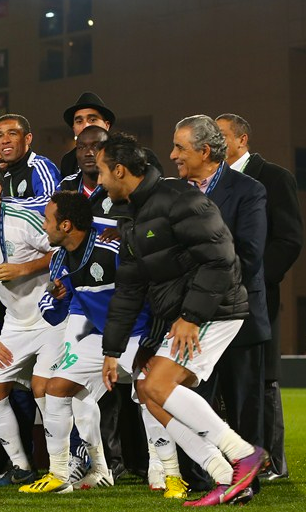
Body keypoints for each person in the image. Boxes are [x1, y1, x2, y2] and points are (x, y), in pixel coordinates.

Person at [98, 132, 269, 506]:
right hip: (181, 313)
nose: (98, 180)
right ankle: (226, 476)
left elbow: (221, 258)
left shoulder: (180, 197)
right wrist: (112, 349)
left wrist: (192, 316)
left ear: (121, 170)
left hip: (215, 309)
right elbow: (129, 290)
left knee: (157, 385)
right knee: (146, 390)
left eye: (101, 172)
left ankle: (242, 455)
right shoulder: (129, 216)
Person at [22, 191, 161, 494]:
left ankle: (162, 469)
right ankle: (64, 473)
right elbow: (53, 312)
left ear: (67, 225)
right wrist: (58, 297)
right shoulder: (60, 257)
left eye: (47, 220)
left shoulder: (112, 246)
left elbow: (150, 287)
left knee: (150, 397)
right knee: (57, 388)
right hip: (98, 336)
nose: (43, 226)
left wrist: (157, 333)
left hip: (139, 335)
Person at [0, 163, 68, 487]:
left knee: (44, 390)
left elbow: (63, 250)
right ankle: (21, 466)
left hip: (52, 318)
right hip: (15, 324)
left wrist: (24, 268)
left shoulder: (23, 220)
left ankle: (63, 465)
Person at [173, 115, 269, 489]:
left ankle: (246, 480)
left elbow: (249, 254)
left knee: (243, 402)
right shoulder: (174, 192)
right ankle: (204, 478)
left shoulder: (249, 190)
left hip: (238, 314)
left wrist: (201, 291)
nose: (174, 155)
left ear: (205, 151)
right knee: (194, 400)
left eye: (180, 148)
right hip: (189, 318)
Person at [216, 113, 302, 479]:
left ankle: (271, 461)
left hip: (257, 296)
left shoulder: (274, 177)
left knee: (262, 379)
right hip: (218, 300)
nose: (216, 143)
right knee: (223, 379)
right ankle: (234, 458)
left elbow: (289, 239)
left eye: (221, 136)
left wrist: (257, 280)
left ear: (243, 139)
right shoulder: (211, 183)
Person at [0, 114, 61, 214]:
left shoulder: (41, 166)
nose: (5, 140)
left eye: (12, 134)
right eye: (0, 136)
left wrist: (4, 204)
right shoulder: (4, 177)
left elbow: (51, 203)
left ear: (27, 139)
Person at [59, 92, 114, 178]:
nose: (85, 126)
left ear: (107, 126)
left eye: (92, 120)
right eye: (79, 122)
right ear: (74, 129)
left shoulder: (123, 155)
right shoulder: (68, 160)